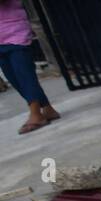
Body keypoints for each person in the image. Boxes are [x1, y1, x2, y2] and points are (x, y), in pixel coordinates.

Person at [0, 0, 59, 135]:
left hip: (15, 33)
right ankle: (48, 109)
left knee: (25, 76)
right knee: (14, 78)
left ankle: (36, 114)